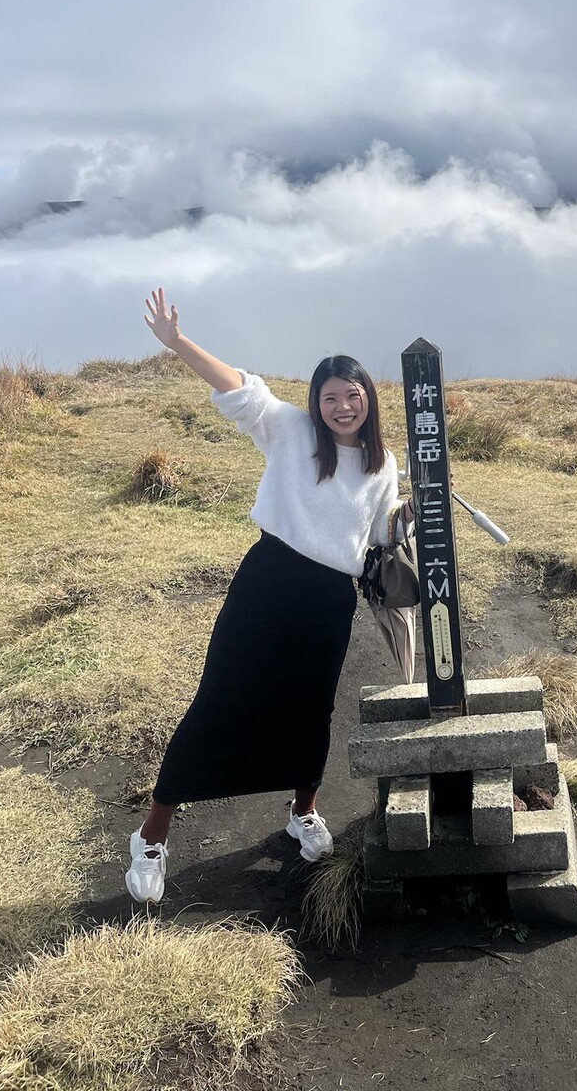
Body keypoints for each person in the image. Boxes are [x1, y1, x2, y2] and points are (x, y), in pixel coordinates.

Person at [126, 287, 402, 905]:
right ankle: (152, 835)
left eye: (352, 395)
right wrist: (178, 344)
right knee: (221, 699)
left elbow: (379, 535)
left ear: (368, 400)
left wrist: (410, 516)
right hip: (269, 583)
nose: (341, 407)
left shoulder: (384, 464)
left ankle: (302, 811)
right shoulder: (290, 430)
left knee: (311, 710)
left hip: (331, 598)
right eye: (330, 397)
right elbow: (241, 388)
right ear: (316, 403)